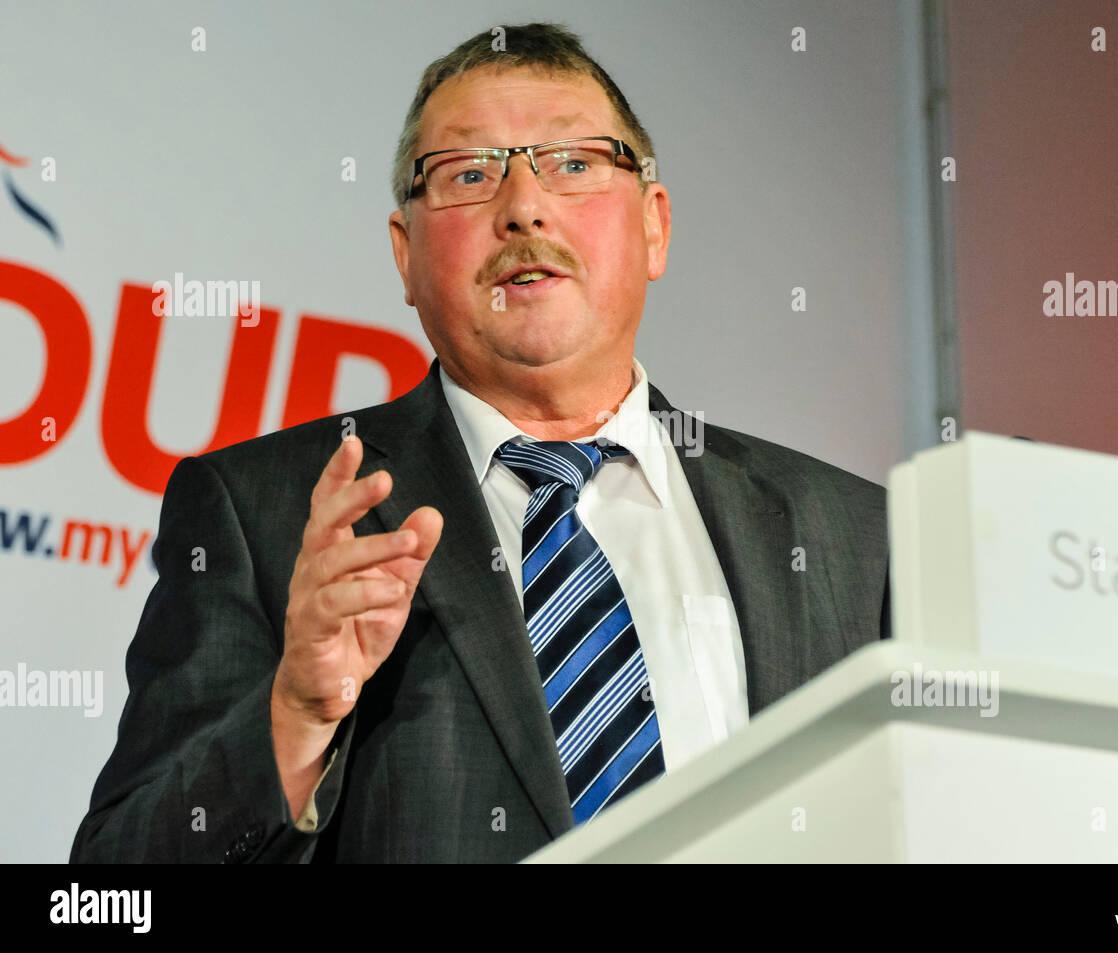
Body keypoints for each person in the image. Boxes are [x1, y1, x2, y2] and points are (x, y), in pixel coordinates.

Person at [70, 21, 889, 864]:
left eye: (573, 163)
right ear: (406, 257)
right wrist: (293, 720)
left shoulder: (850, 536)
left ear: (655, 226)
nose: (524, 206)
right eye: (469, 174)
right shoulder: (262, 513)